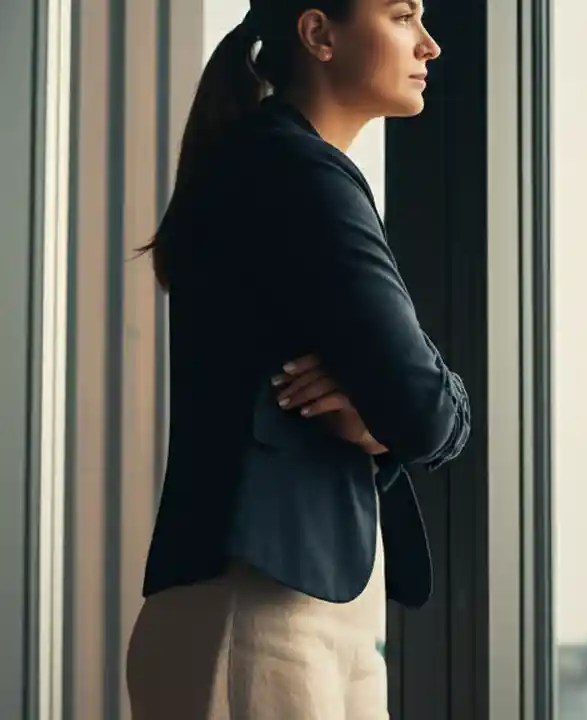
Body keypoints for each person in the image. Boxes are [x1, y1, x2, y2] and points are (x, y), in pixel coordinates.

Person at [125, 1, 467, 717]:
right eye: (403, 16)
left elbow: (408, 406)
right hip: (261, 613)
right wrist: (387, 413)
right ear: (319, 34)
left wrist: (375, 418)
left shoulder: (281, 164)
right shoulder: (295, 170)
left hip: (307, 609)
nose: (429, 45)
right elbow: (428, 411)